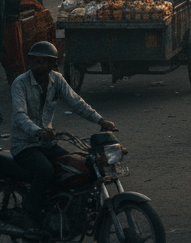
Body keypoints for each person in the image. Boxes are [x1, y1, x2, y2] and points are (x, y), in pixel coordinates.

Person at [11, 41, 116, 231]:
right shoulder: (20, 83)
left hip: (47, 143)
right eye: (35, 61)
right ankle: (28, 212)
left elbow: (76, 102)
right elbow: (19, 116)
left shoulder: (57, 80)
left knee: (75, 168)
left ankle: (61, 209)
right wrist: (38, 131)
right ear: (30, 62)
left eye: (44, 62)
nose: (39, 65)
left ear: (53, 64)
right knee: (45, 170)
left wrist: (101, 121)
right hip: (24, 145)